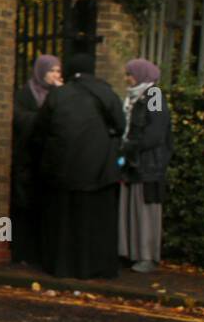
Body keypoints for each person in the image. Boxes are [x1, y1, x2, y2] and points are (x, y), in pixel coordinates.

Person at [31, 52, 124, 279]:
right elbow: (120, 126)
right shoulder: (107, 93)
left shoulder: (58, 95)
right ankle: (97, 267)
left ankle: (62, 266)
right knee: (96, 222)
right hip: (100, 170)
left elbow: (40, 130)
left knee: (64, 222)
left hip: (63, 169)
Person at [118, 58, 172, 273]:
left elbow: (156, 133)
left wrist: (131, 146)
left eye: (130, 74)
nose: (127, 78)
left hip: (147, 164)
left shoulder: (154, 95)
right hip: (135, 163)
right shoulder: (135, 97)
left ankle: (147, 256)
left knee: (145, 210)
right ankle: (133, 253)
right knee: (132, 207)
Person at [11, 54, 62, 264]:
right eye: (51, 71)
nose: (55, 75)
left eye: (58, 71)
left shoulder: (60, 94)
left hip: (48, 160)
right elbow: (21, 120)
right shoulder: (25, 94)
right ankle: (20, 250)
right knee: (24, 207)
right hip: (27, 159)